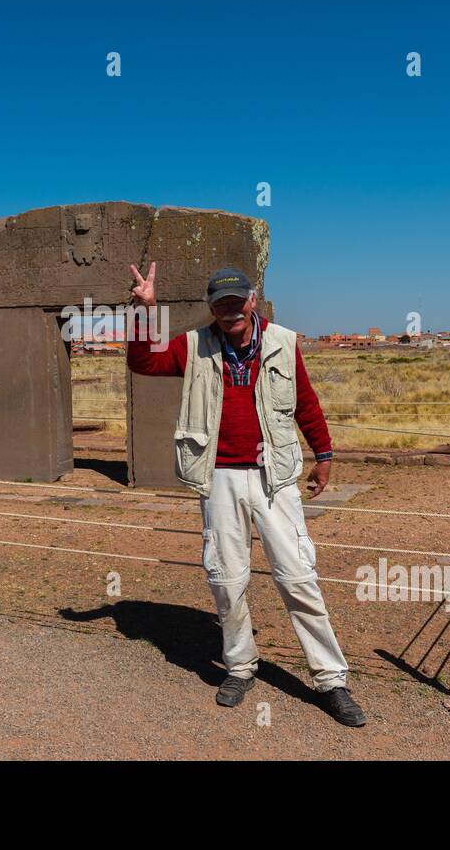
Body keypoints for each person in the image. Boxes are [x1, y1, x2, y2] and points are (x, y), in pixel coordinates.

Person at [126, 262, 366, 727]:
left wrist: (325, 453)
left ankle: (331, 680)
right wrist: (145, 313)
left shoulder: (283, 343)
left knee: (298, 577)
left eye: (237, 302)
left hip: (273, 478)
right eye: (221, 304)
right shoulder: (194, 346)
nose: (230, 311)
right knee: (226, 578)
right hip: (218, 478)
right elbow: (143, 362)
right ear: (211, 308)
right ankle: (239, 666)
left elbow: (306, 403)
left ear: (252, 301)